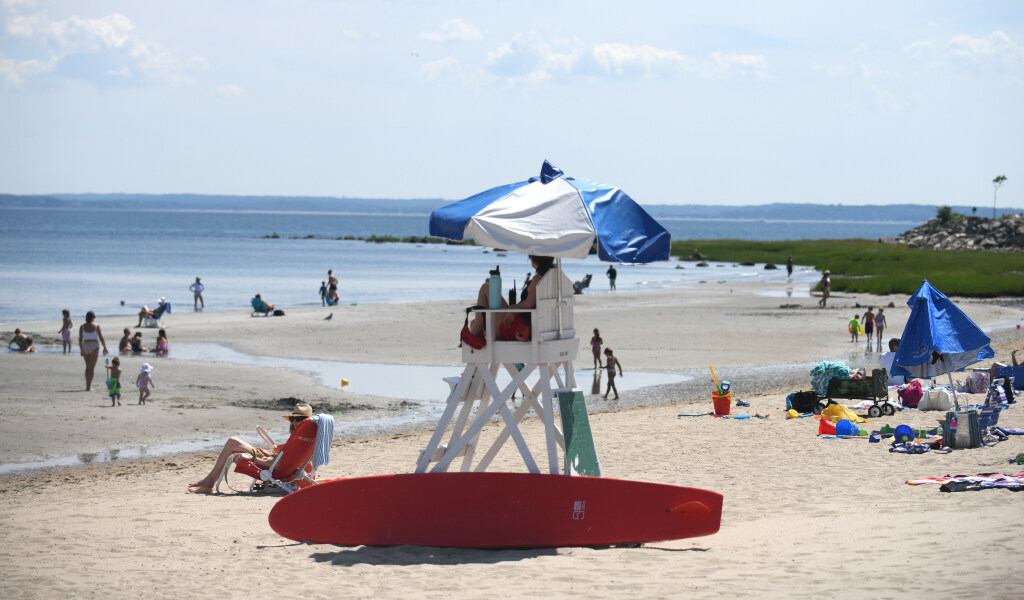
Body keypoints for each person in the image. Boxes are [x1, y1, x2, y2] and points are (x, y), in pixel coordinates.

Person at [187, 403, 313, 494]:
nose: (295, 422)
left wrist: (252, 458)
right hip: (271, 460)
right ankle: (209, 481)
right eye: (293, 419)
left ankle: (209, 482)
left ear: (306, 421)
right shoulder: (306, 438)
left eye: (300, 419)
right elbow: (286, 460)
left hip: (272, 467)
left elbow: (278, 466)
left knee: (233, 444)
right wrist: (271, 454)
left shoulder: (300, 439)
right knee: (232, 442)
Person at [468, 255, 554, 339]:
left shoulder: (538, 278)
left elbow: (528, 305)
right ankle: (478, 328)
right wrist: (512, 310)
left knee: (485, 288)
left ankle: (475, 333)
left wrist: (512, 310)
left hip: (520, 327)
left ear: (534, 259)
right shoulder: (553, 276)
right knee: (473, 323)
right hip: (533, 323)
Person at [78, 311, 109, 391]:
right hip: (94, 345)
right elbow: (101, 337)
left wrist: (81, 349)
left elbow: (80, 339)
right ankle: (88, 387)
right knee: (91, 367)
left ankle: (87, 385)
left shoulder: (82, 327)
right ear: (92, 318)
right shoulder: (96, 326)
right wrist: (104, 347)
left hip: (85, 345)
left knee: (87, 366)